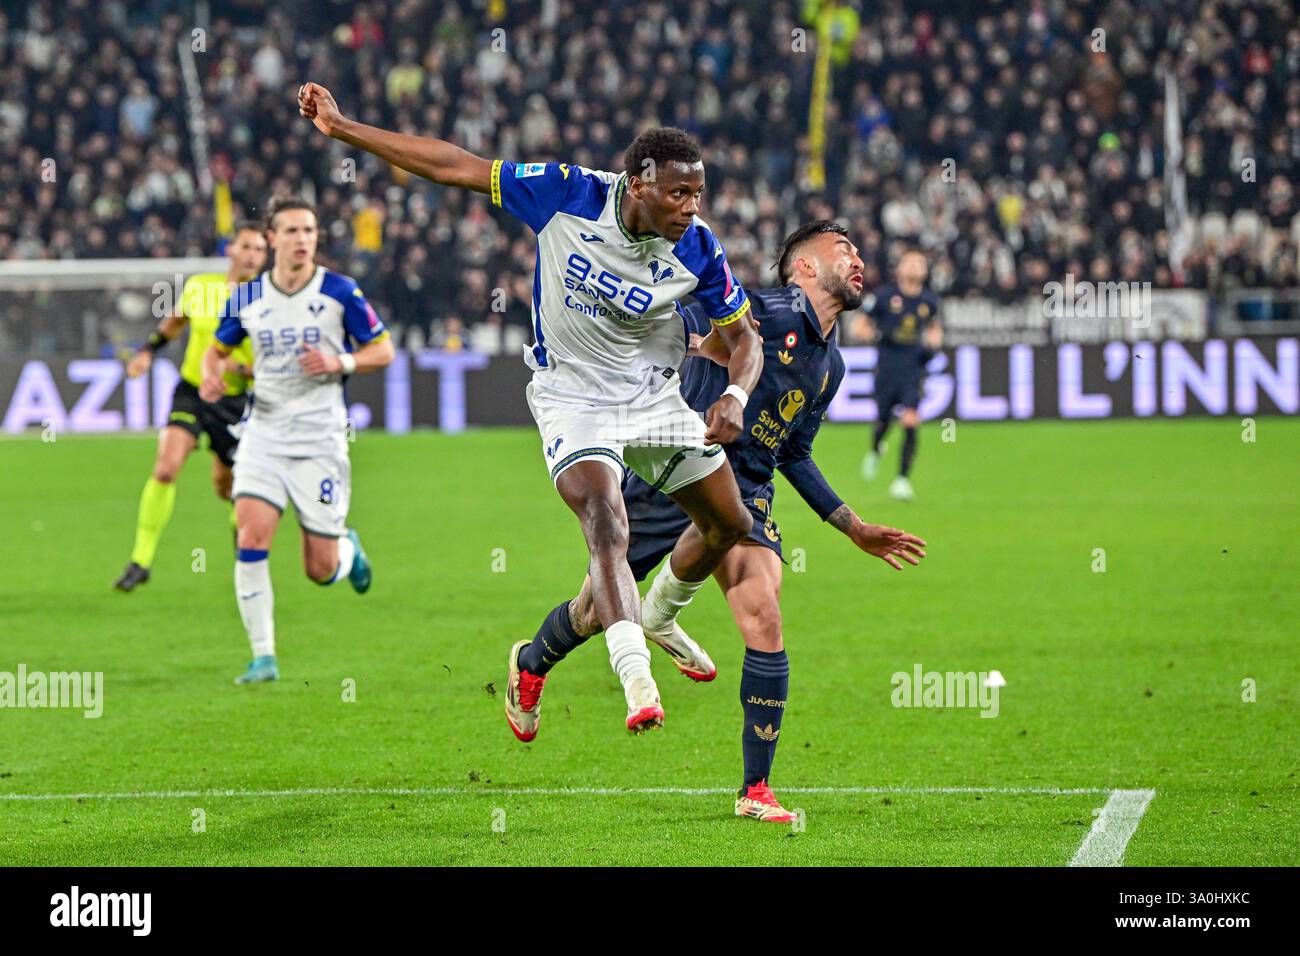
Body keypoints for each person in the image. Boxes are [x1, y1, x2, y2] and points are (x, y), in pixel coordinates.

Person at [298, 82, 765, 731]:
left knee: (727, 523)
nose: (691, 208)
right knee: (607, 521)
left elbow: (745, 340)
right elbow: (455, 164)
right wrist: (346, 128)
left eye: (698, 195)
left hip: (652, 395)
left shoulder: (698, 247)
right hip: (572, 395)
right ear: (637, 184)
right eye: (679, 194)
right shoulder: (565, 193)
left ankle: (606, 634)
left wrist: (736, 395)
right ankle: (637, 681)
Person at [505, 222, 927, 822]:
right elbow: (698, 319)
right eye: (843, 251)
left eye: (859, 250)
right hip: (677, 468)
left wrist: (852, 525)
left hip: (746, 490)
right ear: (803, 267)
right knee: (594, 612)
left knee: (764, 611)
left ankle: (754, 790)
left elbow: (796, 453)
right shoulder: (767, 311)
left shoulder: (830, 365)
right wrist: (696, 353)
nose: (858, 259)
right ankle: (532, 663)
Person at [201, 197, 395, 685]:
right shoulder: (247, 298)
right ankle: (262, 656)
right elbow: (216, 350)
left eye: (309, 230)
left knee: (320, 568)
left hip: (318, 439)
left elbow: (383, 349)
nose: (303, 239)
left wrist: (340, 363)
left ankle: (347, 551)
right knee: (250, 536)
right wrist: (212, 376)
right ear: (272, 239)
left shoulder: (339, 291)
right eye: (291, 231)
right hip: (263, 433)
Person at [113, 225, 268, 591]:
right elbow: (176, 322)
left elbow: (277, 363)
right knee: (166, 468)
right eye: (246, 246)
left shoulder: (268, 299)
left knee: (226, 486)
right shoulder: (201, 286)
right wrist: (148, 351)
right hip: (192, 392)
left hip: (234, 400)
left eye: (260, 250)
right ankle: (141, 560)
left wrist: (242, 370)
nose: (252, 255)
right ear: (230, 250)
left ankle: (242, 551)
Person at [858, 251, 943, 501]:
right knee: (883, 420)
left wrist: (932, 346)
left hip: (913, 371)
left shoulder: (929, 302)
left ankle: (902, 480)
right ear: (900, 269)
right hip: (886, 369)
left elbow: (935, 331)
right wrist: (878, 336)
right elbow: (860, 326)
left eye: (920, 263)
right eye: (911, 262)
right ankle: (875, 450)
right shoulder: (884, 297)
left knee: (910, 420)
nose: (916, 266)